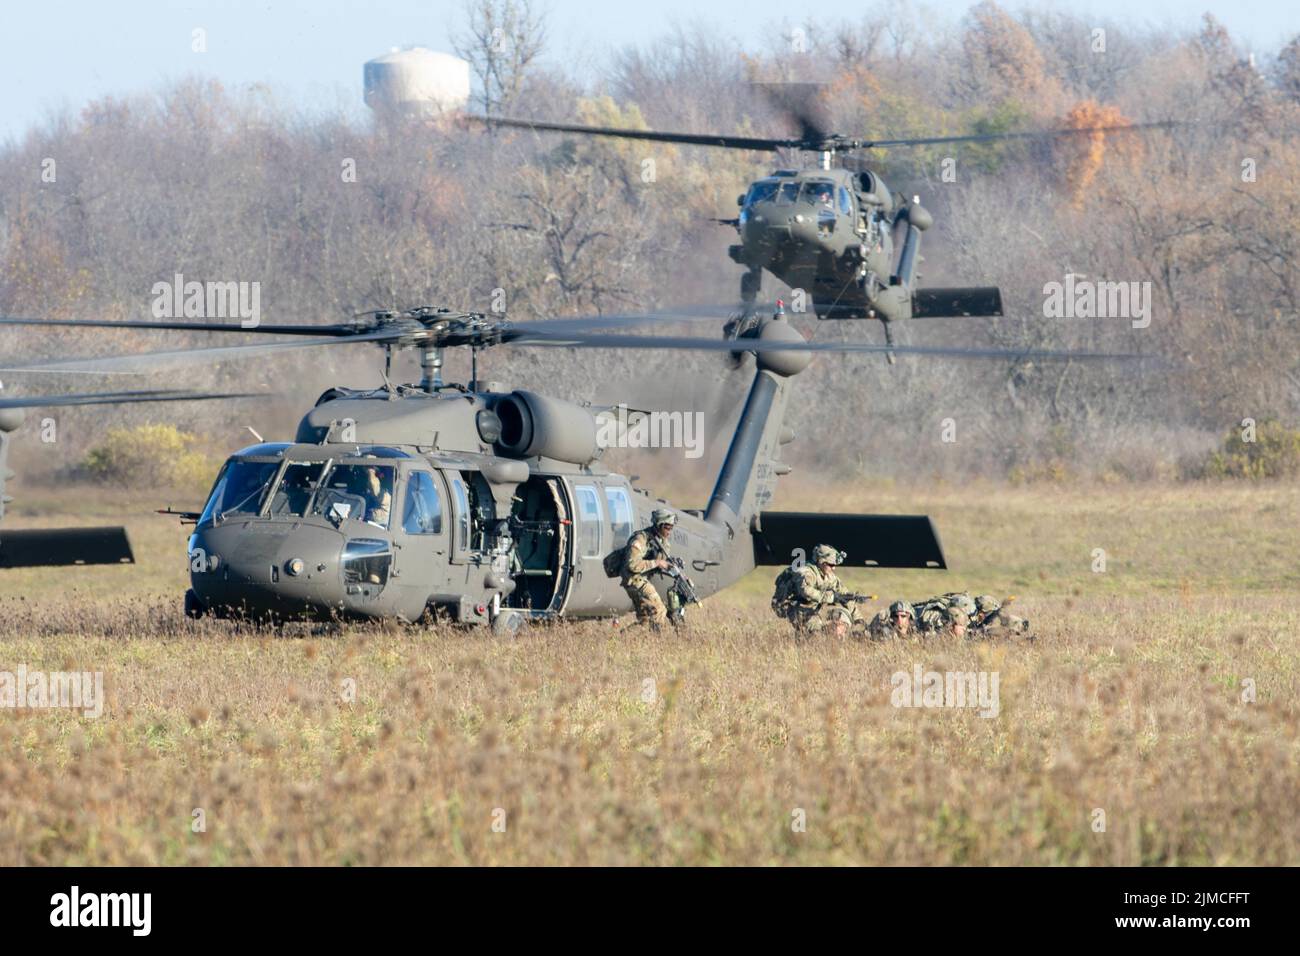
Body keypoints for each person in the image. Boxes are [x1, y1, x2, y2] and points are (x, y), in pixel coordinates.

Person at [775, 544, 859, 639]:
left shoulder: (829, 576)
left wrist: (858, 618)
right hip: (788, 604)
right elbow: (806, 591)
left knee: (841, 618)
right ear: (821, 562)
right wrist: (831, 598)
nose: (834, 568)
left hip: (808, 605)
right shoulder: (806, 573)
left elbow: (844, 593)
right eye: (831, 565)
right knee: (816, 632)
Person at [621, 508, 677, 628]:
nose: (669, 531)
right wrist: (657, 563)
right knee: (660, 610)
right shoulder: (640, 539)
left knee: (645, 620)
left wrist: (670, 566)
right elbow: (632, 565)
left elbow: (660, 564)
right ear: (658, 524)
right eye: (667, 527)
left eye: (671, 528)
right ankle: (657, 641)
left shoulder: (662, 542)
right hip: (634, 579)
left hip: (640, 579)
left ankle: (624, 639)